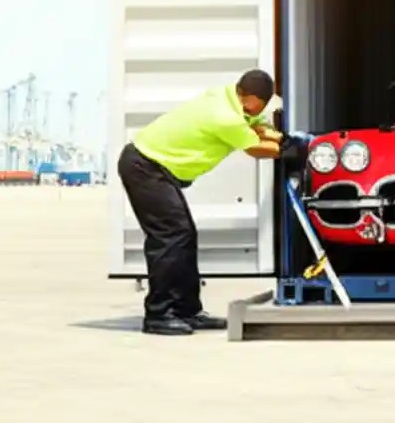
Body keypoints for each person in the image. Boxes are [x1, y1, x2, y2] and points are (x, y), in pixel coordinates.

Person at [117, 69, 284, 336]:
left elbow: (259, 127)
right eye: (260, 105)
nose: (260, 111)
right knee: (171, 235)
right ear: (248, 96)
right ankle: (159, 315)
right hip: (145, 167)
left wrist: (274, 134)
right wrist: (293, 148)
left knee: (184, 234)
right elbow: (256, 149)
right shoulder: (224, 116)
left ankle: (187, 310)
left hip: (154, 168)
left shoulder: (231, 99)